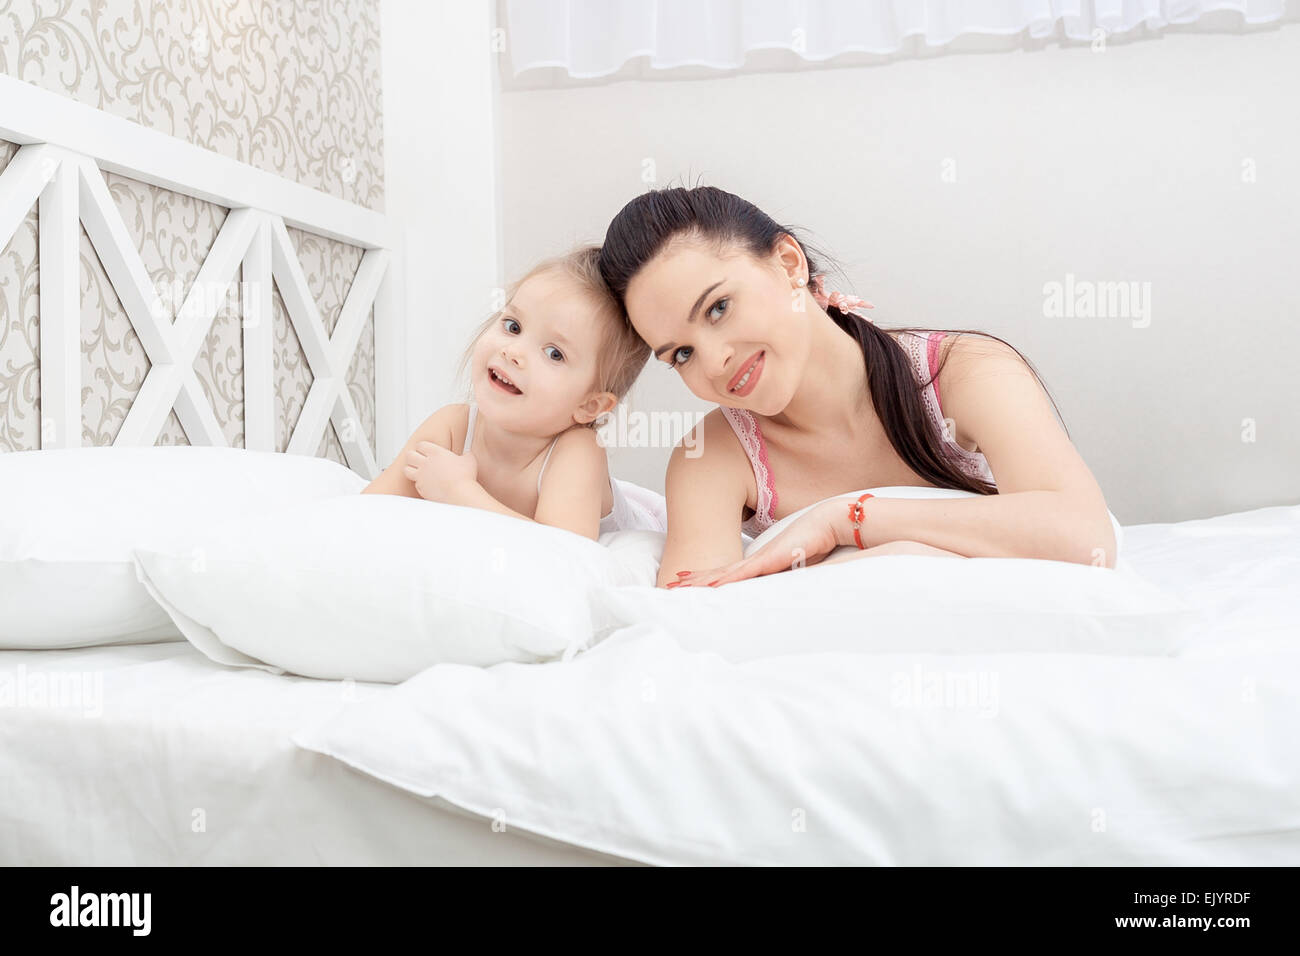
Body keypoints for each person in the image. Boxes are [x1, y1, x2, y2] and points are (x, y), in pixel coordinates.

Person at [597, 186, 1118, 587]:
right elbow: (697, 617)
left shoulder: (961, 372)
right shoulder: (710, 456)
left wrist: (845, 521)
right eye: (680, 354)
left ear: (788, 264)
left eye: (718, 308)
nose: (713, 363)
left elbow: (1083, 536)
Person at [363, 245, 662, 540]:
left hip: (637, 524)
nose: (513, 352)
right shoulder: (452, 426)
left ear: (590, 405)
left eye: (554, 354)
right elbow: (367, 509)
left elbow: (565, 553)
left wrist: (459, 492)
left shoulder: (577, 450)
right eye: (513, 326)